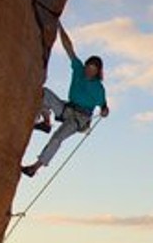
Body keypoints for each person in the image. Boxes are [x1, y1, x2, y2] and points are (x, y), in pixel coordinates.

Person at [22, 21, 110, 177]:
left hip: (79, 118)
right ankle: (46, 122)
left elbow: (104, 108)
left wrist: (104, 111)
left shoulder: (98, 88)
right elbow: (68, 47)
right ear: (86, 66)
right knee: (43, 93)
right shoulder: (78, 68)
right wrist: (59, 26)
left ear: (98, 73)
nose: (89, 73)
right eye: (88, 68)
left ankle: (34, 168)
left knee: (57, 138)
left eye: (93, 71)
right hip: (67, 108)